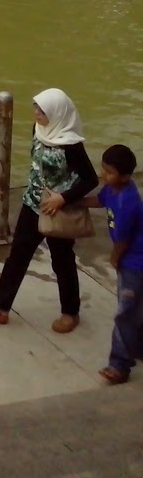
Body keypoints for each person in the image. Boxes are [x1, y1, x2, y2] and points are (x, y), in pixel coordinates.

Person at [0, 87, 98, 332]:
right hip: (33, 203)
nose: (36, 113)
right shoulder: (38, 130)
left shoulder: (71, 146)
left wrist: (62, 198)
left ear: (57, 113)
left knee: (62, 260)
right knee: (18, 256)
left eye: (42, 110)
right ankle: (0, 307)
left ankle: (70, 312)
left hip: (57, 210)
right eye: (36, 108)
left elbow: (90, 180)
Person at [93, 144, 143, 384]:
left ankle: (119, 364)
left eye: (109, 172)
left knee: (125, 312)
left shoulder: (127, 202)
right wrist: (71, 202)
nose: (104, 175)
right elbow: (99, 200)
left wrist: (114, 259)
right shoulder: (112, 190)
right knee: (137, 310)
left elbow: (122, 240)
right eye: (103, 169)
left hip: (134, 263)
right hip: (133, 260)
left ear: (124, 176)